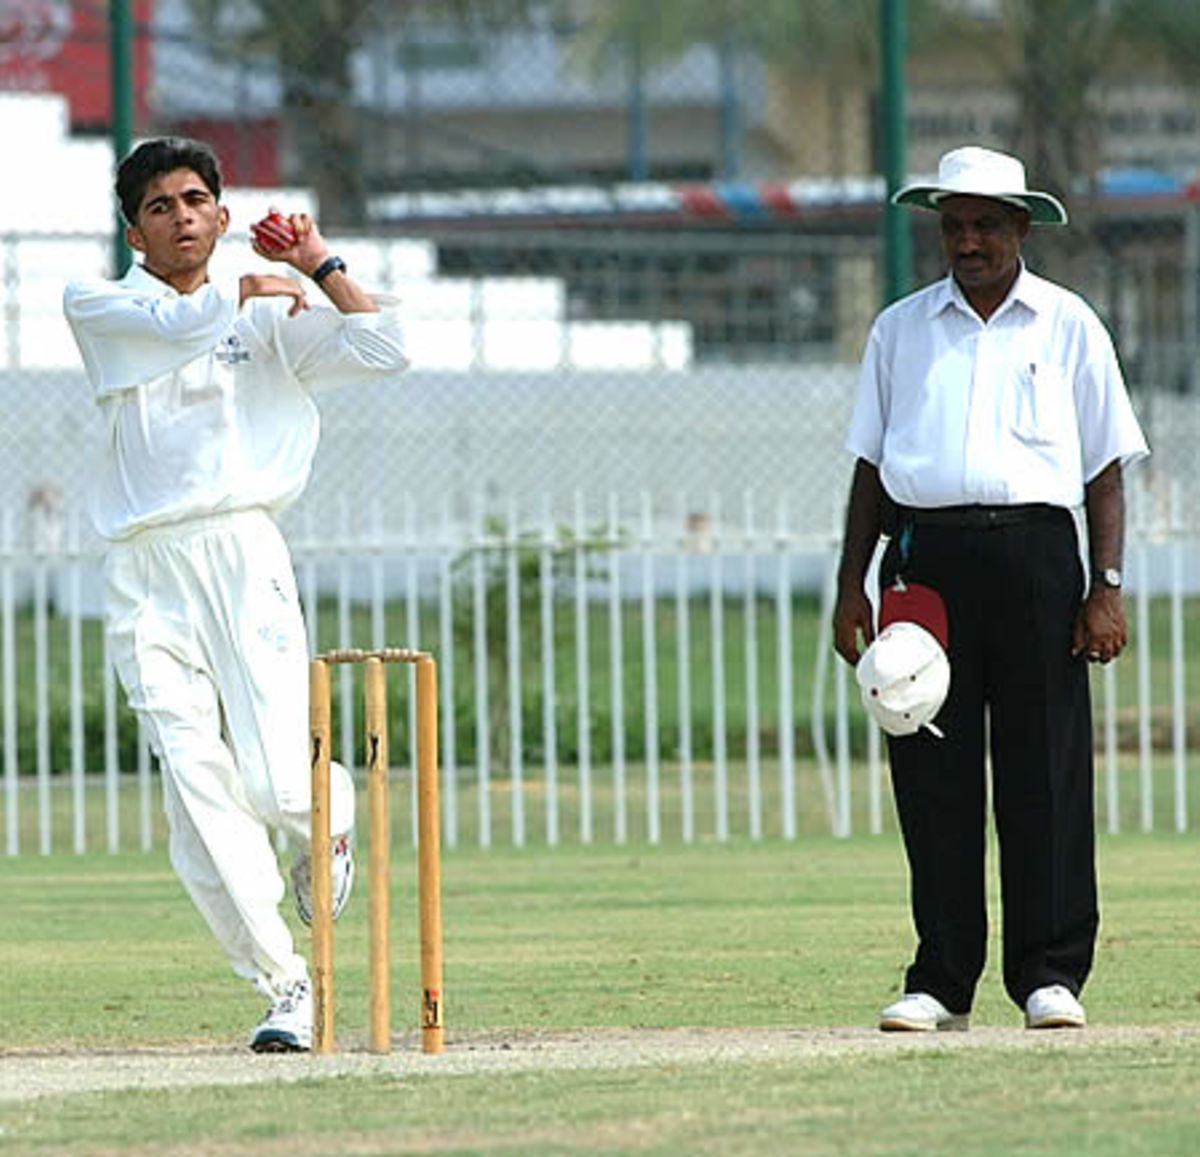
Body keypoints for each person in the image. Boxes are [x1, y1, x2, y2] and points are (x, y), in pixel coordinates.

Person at [63, 137, 408, 1051]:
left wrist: (317, 263)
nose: (181, 218)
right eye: (160, 207)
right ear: (134, 231)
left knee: (274, 777)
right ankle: (286, 982)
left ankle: (324, 816)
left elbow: (385, 347)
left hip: (243, 550)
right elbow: (182, 326)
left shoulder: (265, 316)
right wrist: (247, 290)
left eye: (194, 201)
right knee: (194, 787)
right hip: (143, 567)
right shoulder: (101, 306)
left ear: (222, 215)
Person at [832, 145, 1149, 1033]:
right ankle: (941, 977)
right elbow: (870, 466)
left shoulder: (1068, 324)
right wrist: (851, 584)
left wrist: (1106, 585)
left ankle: (1050, 973)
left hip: (1036, 557)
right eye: (953, 227)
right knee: (930, 769)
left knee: (1044, 766)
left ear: (1021, 228)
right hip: (926, 560)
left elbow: (1105, 470)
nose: (966, 242)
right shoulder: (900, 330)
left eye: (984, 226)